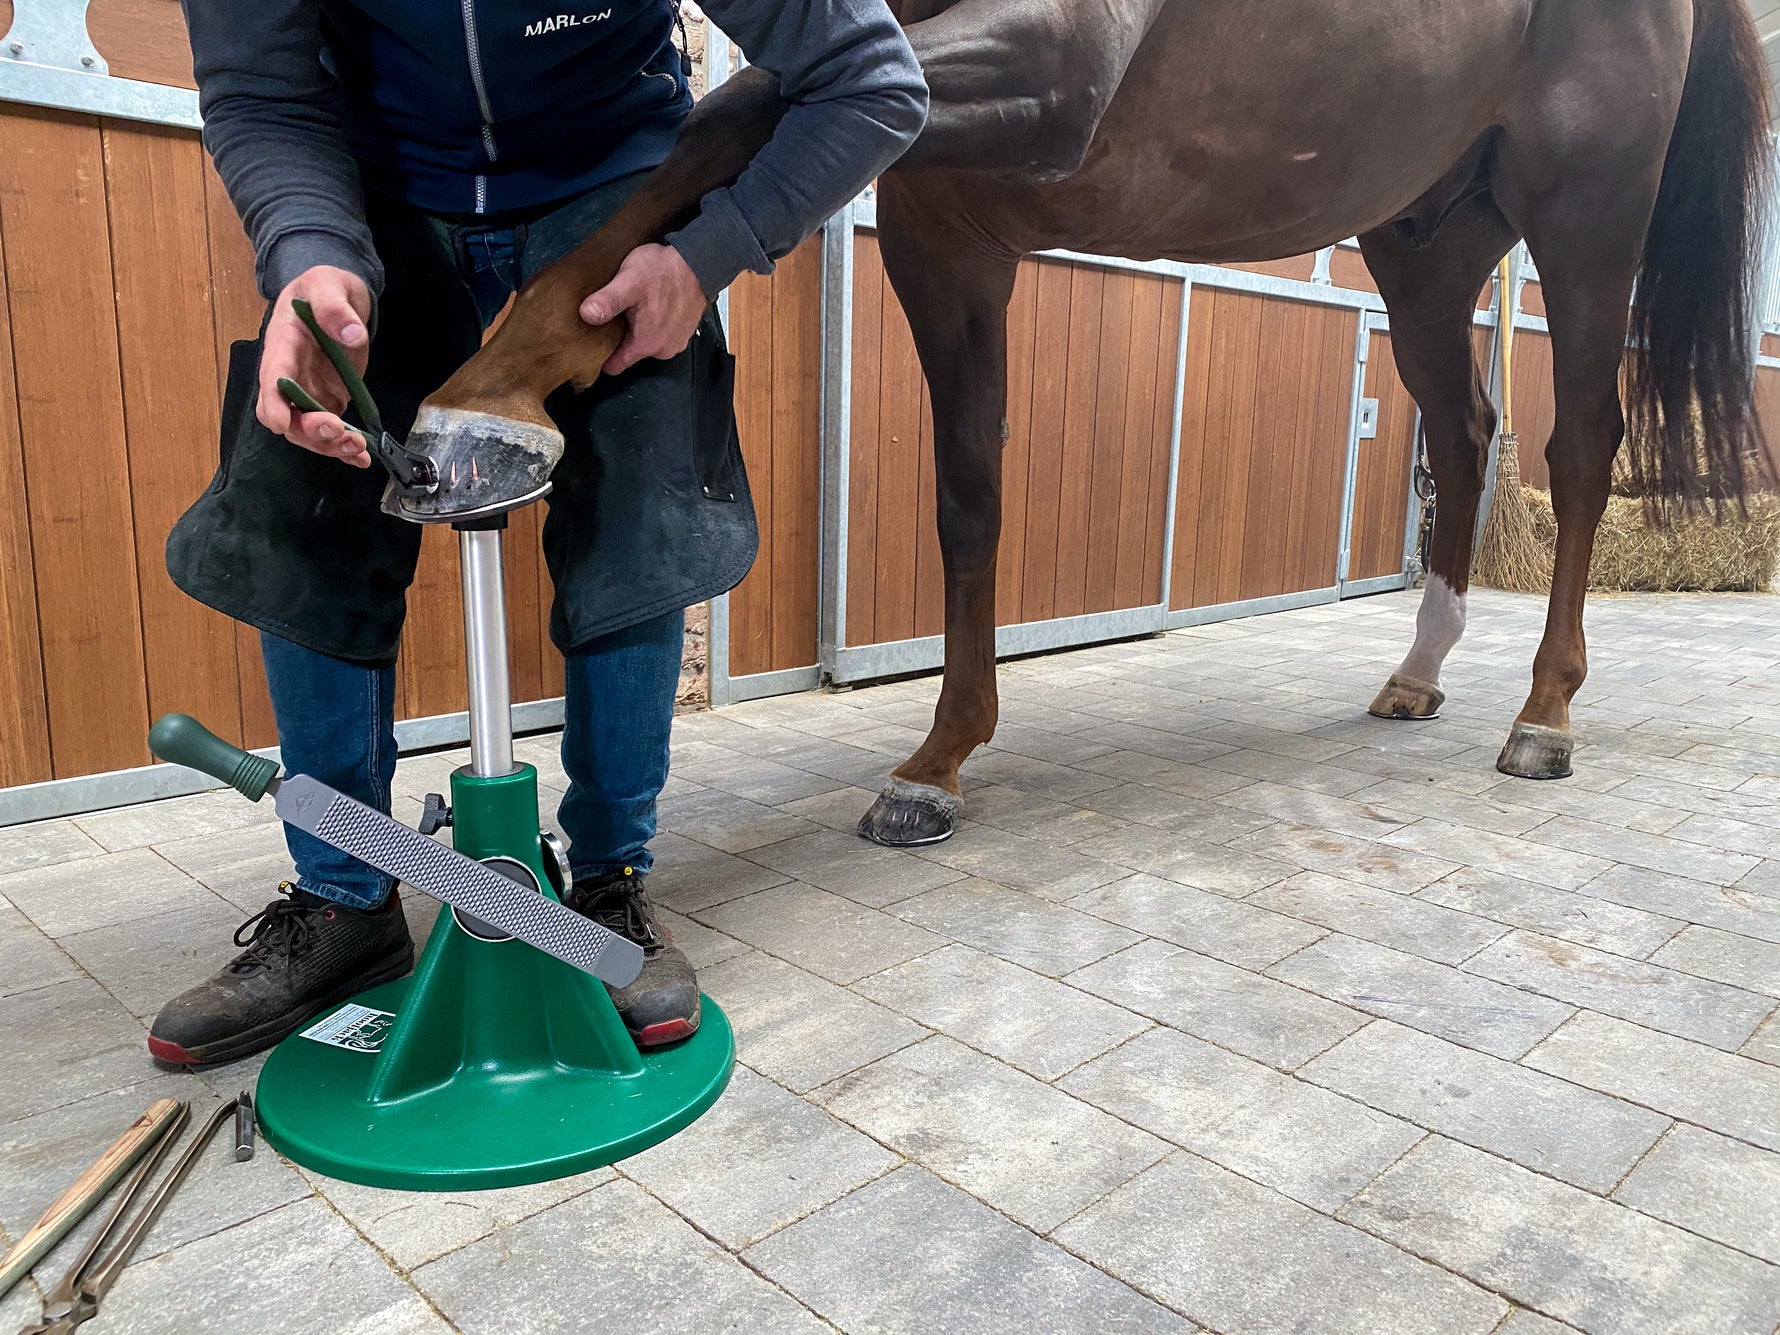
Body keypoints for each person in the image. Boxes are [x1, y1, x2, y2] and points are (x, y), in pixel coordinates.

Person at [148, 0, 926, 1065]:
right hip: (377, 183)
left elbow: (875, 82)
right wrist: (310, 251)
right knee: (308, 494)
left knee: (639, 509)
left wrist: (705, 254)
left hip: (608, 179)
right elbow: (265, 94)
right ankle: (345, 899)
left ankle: (607, 884)